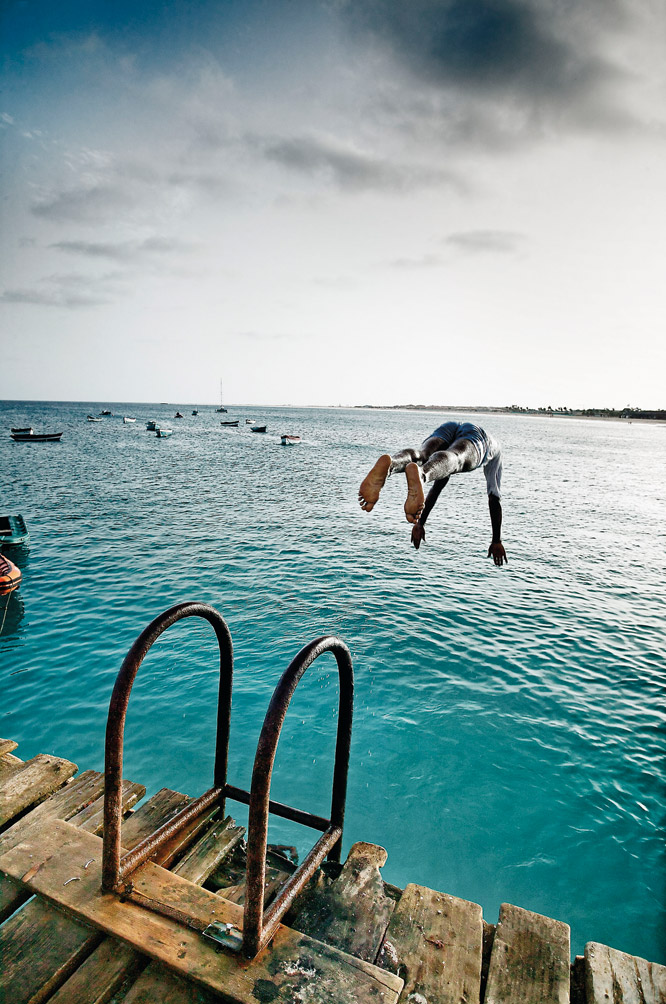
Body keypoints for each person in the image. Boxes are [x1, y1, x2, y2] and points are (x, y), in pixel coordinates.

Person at [358, 420, 507, 565]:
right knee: (457, 459)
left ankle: (392, 464)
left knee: (423, 455)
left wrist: (421, 522)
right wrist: (496, 540)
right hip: (478, 439)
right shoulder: (496, 451)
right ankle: (422, 476)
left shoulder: (446, 457)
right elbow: (494, 498)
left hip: (450, 426)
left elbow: (439, 482)